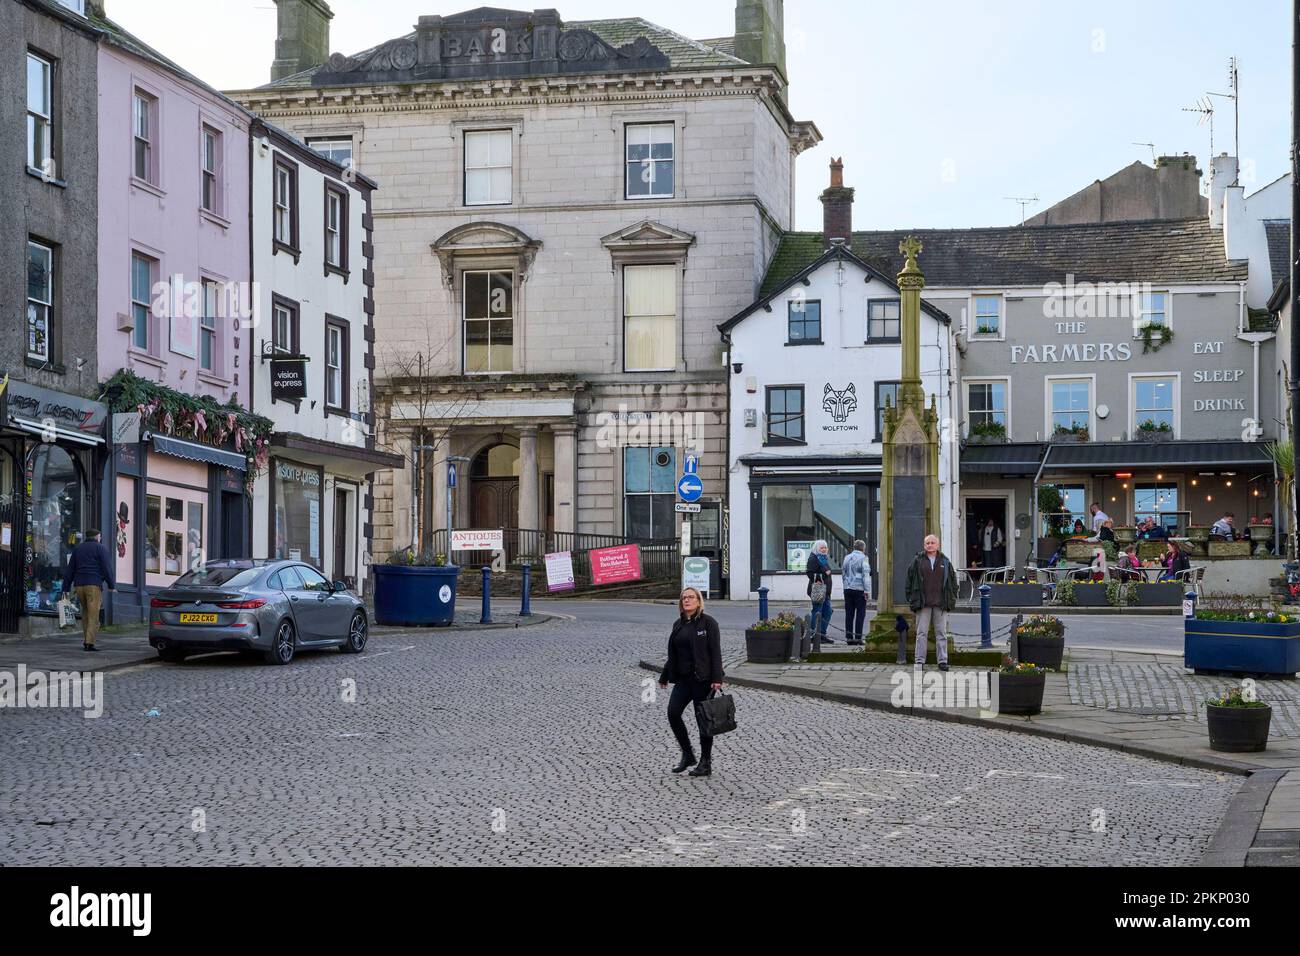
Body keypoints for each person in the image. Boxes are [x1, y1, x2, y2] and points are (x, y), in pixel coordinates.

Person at [658, 587, 723, 778]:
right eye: (684, 598)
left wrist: (717, 678)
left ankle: (705, 762)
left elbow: (715, 652)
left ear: (698, 601)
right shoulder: (678, 624)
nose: (686, 600)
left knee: (703, 721)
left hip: (703, 680)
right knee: (673, 713)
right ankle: (687, 754)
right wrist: (665, 675)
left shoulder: (708, 623)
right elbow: (674, 654)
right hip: (683, 679)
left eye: (691, 597)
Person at [904, 534, 959, 671]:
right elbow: (909, 580)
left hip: (940, 604)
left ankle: (942, 661)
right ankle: (919, 661)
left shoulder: (945, 561)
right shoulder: (917, 561)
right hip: (923, 604)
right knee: (921, 633)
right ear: (924, 545)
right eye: (927, 543)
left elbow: (953, 582)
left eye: (932, 543)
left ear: (937, 545)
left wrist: (951, 598)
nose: (930, 545)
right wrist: (911, 598)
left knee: (941, 634)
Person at [61, 528, 116, 652]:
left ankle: (87, 639)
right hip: (93, 585)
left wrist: (65, 588)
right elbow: (107, 568)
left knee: (86, 613)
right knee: (93, 615)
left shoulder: (78, 549)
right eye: (100, 536)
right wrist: (111, 586)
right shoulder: (100, 548)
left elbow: (70, 570)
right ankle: (89, 643)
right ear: (97, 536)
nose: (100, 538)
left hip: (79, 585)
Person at [841, 540, 870, 646]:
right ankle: (858, 638)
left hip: (847, 588)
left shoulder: (847, 557)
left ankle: (849, 638)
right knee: (860, 613)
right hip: (859, 589)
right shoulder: (864, 558)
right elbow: (866, 576)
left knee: (849, 613)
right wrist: (867, 590)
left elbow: (843, 573)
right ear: (863, 548)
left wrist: (845, 585)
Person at [805, 539, 835, 644]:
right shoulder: (813, 558)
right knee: (817, 611)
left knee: (827, 612)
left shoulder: (823, 558)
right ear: (817, 548)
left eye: (825, 547)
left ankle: (822, 634)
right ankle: (814, 634)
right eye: (822, 548)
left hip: (826, 591)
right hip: (818, 590)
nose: (824, 549)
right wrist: (823, 576)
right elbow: (809, 573)